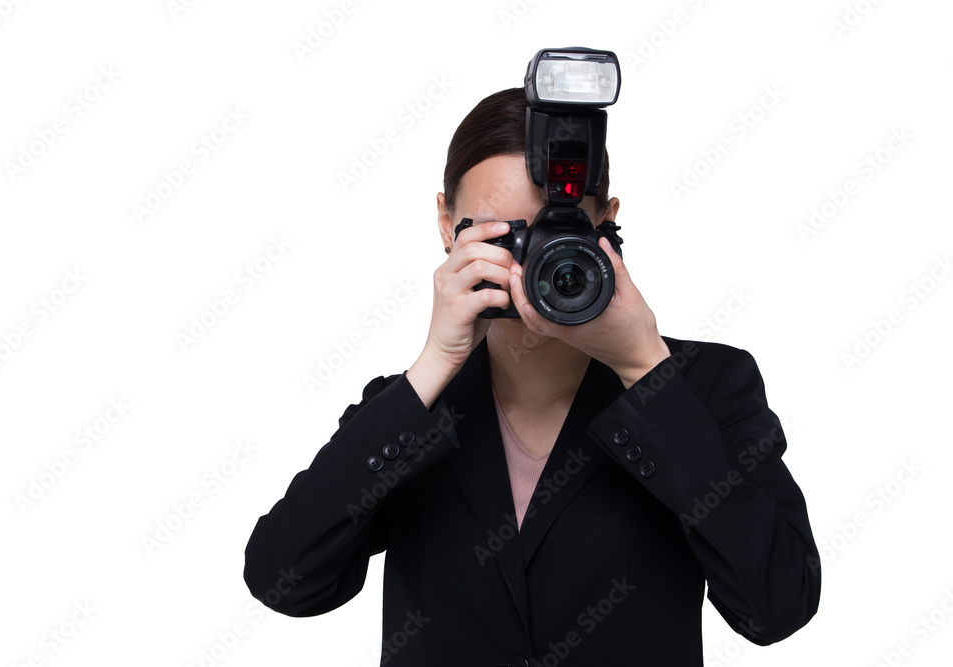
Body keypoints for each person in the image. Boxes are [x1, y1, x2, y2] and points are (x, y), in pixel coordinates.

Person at [243, 86, 820, 666]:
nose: (530, 264)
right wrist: (435, 363)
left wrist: (645, 369)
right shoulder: (409, 410)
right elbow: (283, 581)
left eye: (554, 234)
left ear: (607, 226)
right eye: (501, 236)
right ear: (447, 225)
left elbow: (777, 608)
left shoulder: (705, 384)